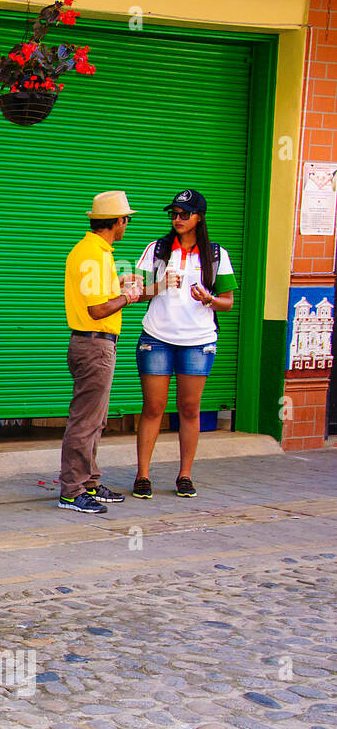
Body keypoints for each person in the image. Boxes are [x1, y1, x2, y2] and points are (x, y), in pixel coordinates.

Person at [132, 189, 236, 498]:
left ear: (199, 218)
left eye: (184, 214)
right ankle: (143, 475)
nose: (177, 219)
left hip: (198, 341)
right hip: (157, 337)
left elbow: (228, 302)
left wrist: (210, 298)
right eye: (173, 214)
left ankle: (185, 475)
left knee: (190, 409)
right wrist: (160, 285)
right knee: (153, 407)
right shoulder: (157, 249)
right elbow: (135, 291)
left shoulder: (216, 255)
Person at [58, 190, 144, 514]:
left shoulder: (93, 251)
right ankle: (72, 490)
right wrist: (129, 296)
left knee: (96, 419)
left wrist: (118, 282)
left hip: (92, 345)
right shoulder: (94, 255)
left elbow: (93, 293)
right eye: (126, 221)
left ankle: (90, 481)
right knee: (85, 421)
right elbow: (97, 309)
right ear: (117, 222)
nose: (126, 226)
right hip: (94, 345)